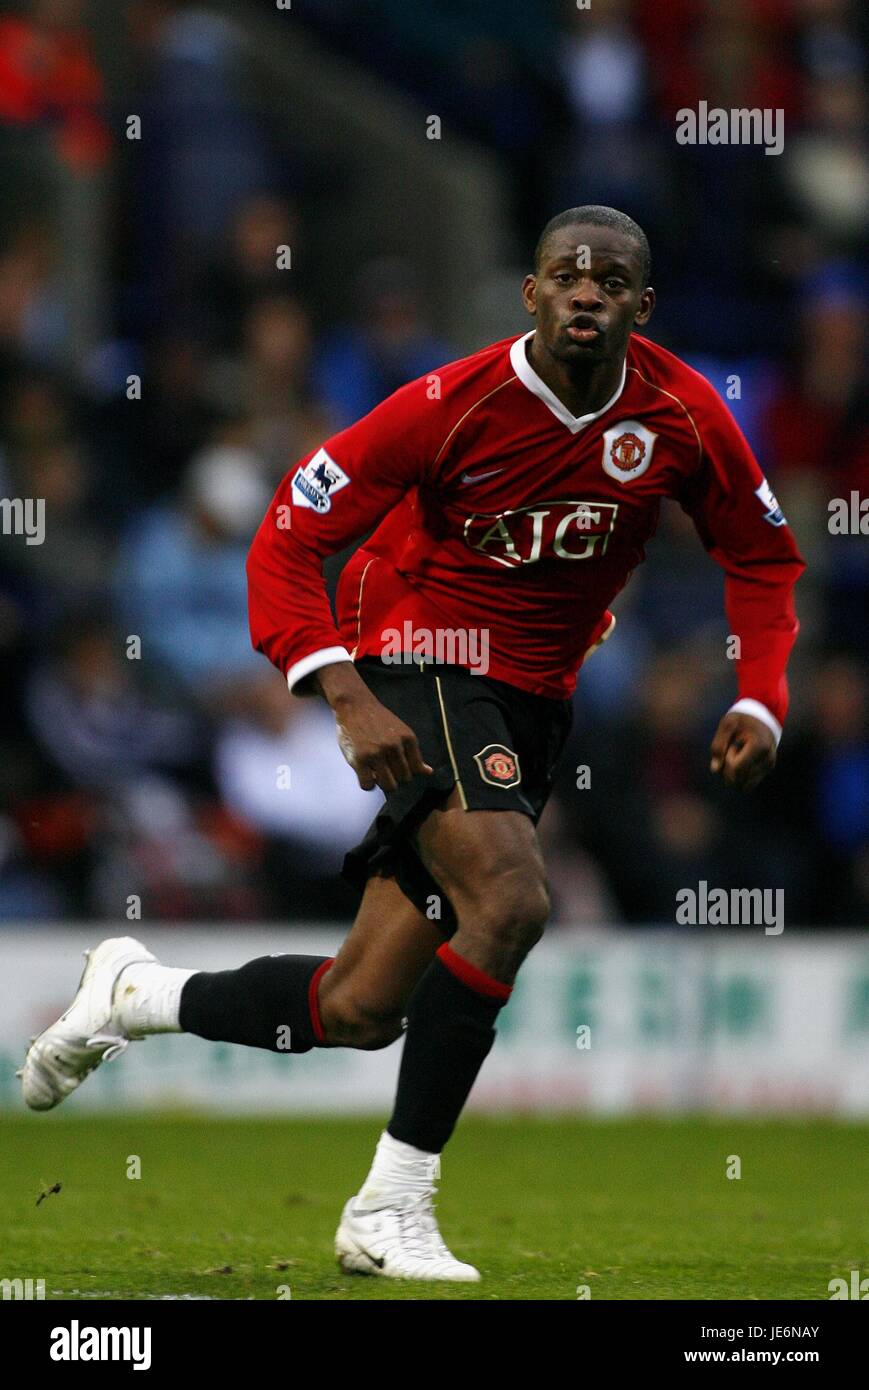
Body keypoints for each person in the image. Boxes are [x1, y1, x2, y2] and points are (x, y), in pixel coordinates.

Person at [19, 206, 804, 1282]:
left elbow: (762, 560)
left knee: (358, 1007)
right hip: (418, 656)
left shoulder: (681, 415)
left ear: (639, 305)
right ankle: (390, 1206)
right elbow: (290, 533)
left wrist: (758, 698)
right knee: (515, 900)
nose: (585, 292)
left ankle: (135, 995)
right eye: (564, 277)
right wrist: (340, 689)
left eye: (610, 280)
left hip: (530, 703)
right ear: (528, 295)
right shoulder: (448, 404)